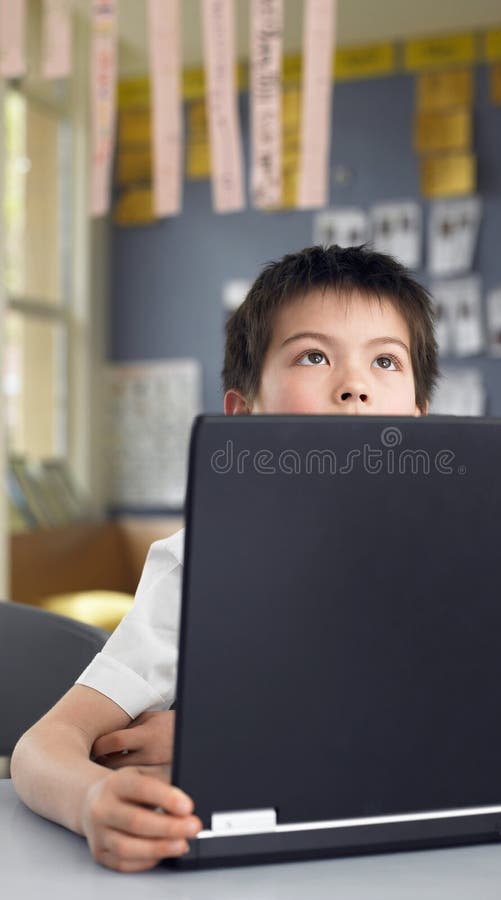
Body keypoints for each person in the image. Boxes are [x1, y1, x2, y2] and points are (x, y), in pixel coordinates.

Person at [10, 244, 439, 872]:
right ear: (243, 417)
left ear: (419, 423)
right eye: (314, 356)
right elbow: (40, 748)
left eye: (385, 361)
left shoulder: (450, 568)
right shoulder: (200, 566)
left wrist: (221, 740)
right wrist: (91, 800)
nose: (355, 386)